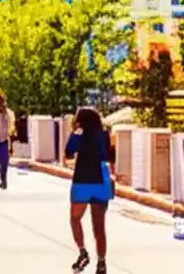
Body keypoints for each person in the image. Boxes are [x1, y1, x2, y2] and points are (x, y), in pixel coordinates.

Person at [66, 107, 116, 273]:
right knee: (99, 227)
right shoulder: (104, 135)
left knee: (75, 219)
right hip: (102, 180)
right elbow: (109, 156)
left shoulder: (79, 135)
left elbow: (68, 153)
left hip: (83, 180)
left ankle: (83, 252)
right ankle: (101, 262)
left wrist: (74, 133)